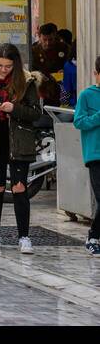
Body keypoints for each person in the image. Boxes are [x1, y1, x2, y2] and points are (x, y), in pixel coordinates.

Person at [0, 43, 44, 254]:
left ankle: (24, 237)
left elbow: (35, 113)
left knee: (19, 188)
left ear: (15, 64)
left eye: (8, 66)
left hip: (19, 141)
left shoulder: (27, 81)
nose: (3, 70)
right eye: (0, 65)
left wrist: (14, 108)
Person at [72, 56, 100, 255]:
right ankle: (93, 236)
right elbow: (79, 121)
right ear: (96, 74)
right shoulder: (86, 95)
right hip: (95, 154)